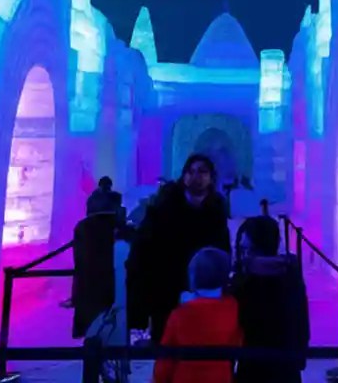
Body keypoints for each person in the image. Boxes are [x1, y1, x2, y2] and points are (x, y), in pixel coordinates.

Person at [128, 154, 232, 343]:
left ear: (211, 177)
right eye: (191, 172)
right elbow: (143, 251)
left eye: (202, 172)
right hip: (167, 291)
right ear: (184, 176)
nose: (196, 177)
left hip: (203, 294)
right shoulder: (164, 207)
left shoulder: (216, 210)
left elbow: (221, 249)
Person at [230, 215, 310, 383]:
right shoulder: (290, 274)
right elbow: (301, 322)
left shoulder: (244, 281)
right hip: (285, 365)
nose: (244, 255)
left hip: (252, 364)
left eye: (248, 250)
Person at [152, 247, 241, 383]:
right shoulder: (233, 309)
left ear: (193, 276)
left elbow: (165, 360)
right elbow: (237, 343)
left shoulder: (180, 314)